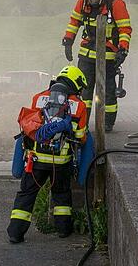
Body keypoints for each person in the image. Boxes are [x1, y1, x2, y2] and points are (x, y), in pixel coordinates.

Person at [8, 65, 89, 244]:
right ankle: (63, 230)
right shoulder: (80, 106)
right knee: (61, 194)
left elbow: (31, 127)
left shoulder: (38, 98)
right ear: (76, 83)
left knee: (27, 195)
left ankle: (15, 233)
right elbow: (80, 137)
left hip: (34, 160)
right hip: (61, 162)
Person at [61, 0, 132, 132]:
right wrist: (68, 41)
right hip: (86, 54)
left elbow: (125, 29)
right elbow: (74, 21)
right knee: (84, 91)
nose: (90, 0)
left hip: (108, 56)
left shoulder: (116, 3)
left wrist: (123, 49)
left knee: (107, 92)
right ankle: (82, 124)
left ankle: (108, 124)